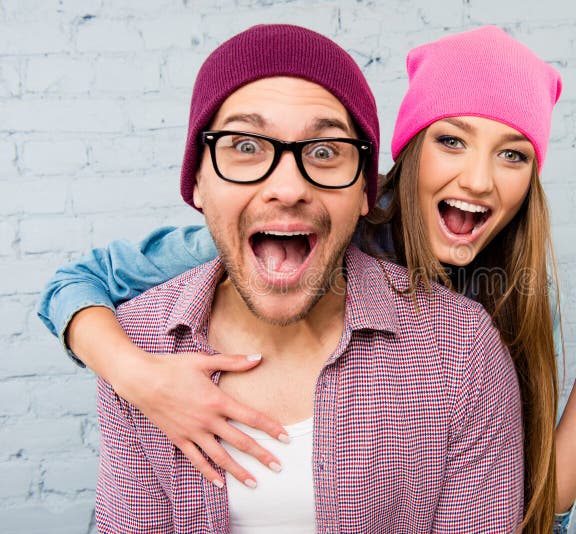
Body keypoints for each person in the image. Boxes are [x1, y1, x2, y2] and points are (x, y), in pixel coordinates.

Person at [38, 26, 576, 534]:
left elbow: (535, 508)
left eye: (513, 154)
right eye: (452, 140)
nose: (478, 180)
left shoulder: (501, 303)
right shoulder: (296, 220)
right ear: (403, 155)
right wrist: (136, 375)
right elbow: (78, 281)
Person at [65, 24, 525, 532]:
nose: (287, 188)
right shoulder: (140, 348)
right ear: (196, 179)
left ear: (366, 190)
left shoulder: (461, 343)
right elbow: (78, 280)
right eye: (245, 146)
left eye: (325, 152)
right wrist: (132, 373)